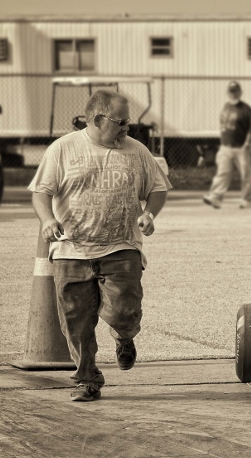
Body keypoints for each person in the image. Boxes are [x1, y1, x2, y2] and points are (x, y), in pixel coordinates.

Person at [28, 90, 172, 402]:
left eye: (128, 122)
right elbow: (41, 192)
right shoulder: (63, 149)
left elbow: (158, 188)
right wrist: (47, 219)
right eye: (121, 122)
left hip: (121, 247)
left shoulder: (136, 151)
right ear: (97, 119)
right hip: (70, 250)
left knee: (125, 312)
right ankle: (87, 380)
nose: (127, 128)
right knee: (75, 323)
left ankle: (123, 336)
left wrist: (148, 214)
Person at [203, 81, 251, 210]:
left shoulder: (246, 110)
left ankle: (247, 200)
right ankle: (215, 198)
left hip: (241, 147)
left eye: (236, 91)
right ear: (228, 93)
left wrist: (247, 144)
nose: (234, 94)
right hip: (225, 147)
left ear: (240, 92)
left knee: (245, 174)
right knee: (222, 173)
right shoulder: (226, 106)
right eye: (231, 92)